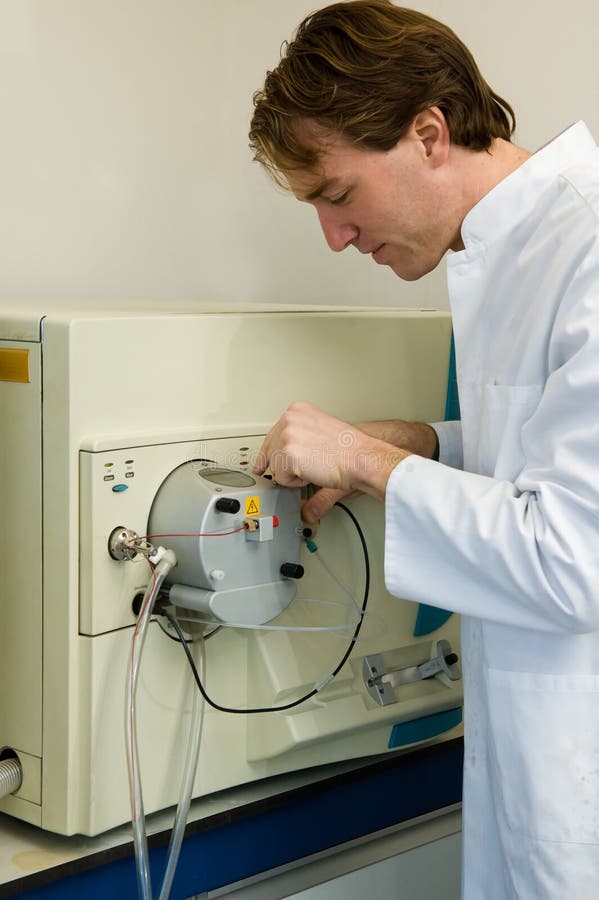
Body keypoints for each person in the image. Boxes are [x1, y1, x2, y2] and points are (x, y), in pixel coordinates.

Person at [248, 1, 599, 897]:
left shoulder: (588, 245)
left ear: (429, 133)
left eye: (337, 195)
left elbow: (574, 555)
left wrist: (369, 463)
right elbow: (543, 457)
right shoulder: (507, 249)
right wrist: (425, 443)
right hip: (533, 768)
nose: (334, 236)